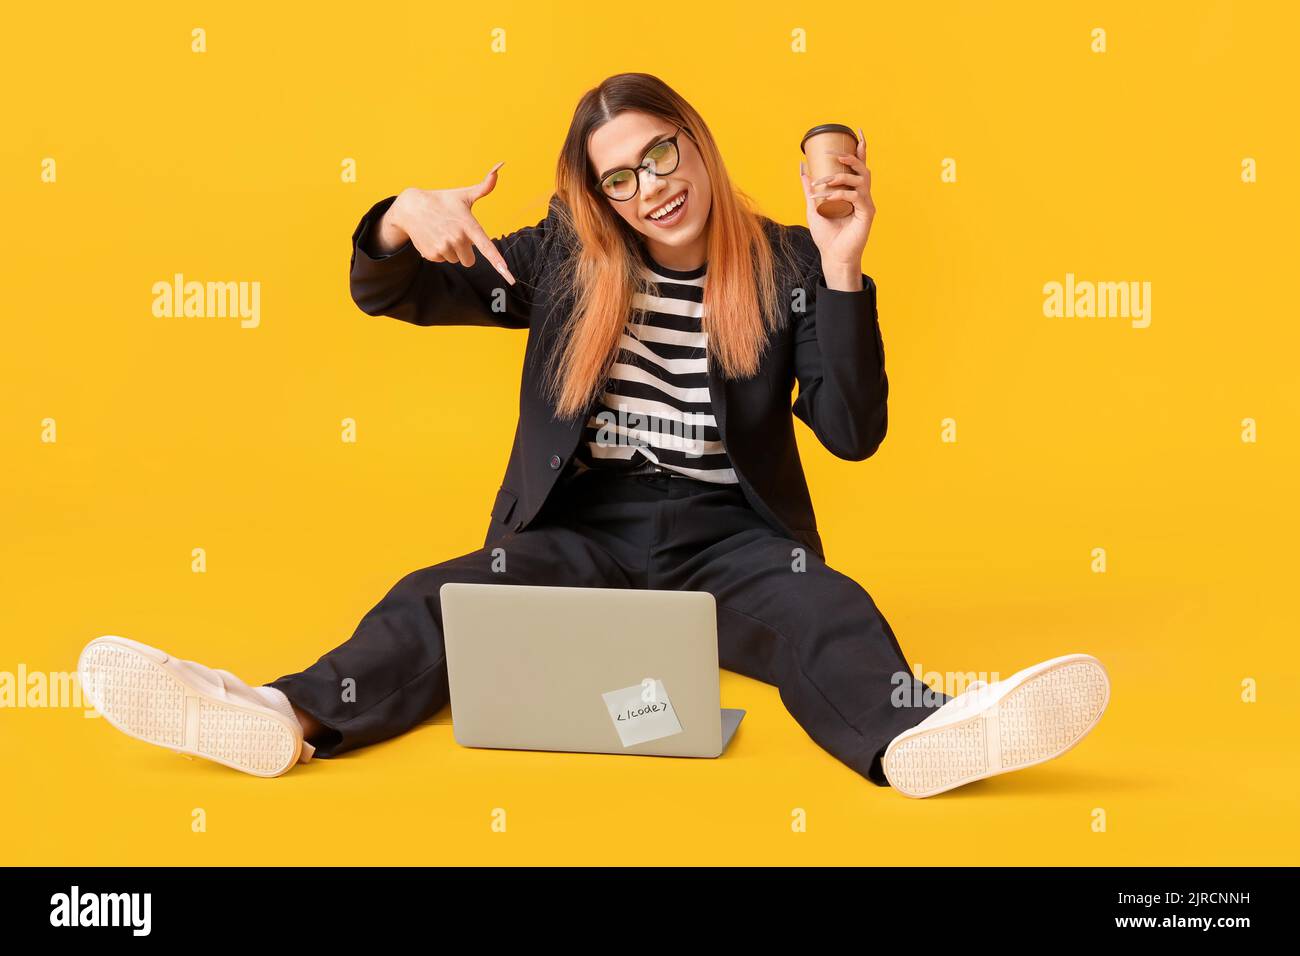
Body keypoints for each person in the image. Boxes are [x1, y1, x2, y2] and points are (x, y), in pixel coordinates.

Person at [77, 73, 1109, 798]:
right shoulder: (569, 258)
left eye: (661, 153)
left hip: (733, 540)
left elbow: (849, 431)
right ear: (597, 193)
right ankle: (280, 716)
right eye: (620, 176)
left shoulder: (789, 263)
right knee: (442, 596)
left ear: (694, 142)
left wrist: (842, 265)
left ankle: (916, 738)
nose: (650, 185)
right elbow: (396, 290)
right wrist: (399, 214)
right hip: (589, 534)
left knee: (828, 610)